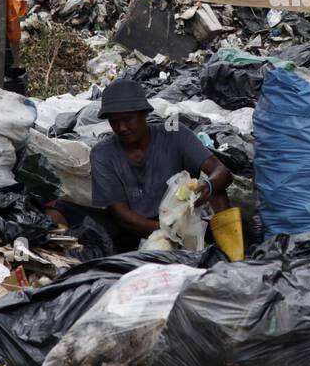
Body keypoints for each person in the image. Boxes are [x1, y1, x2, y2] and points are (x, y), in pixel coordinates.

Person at [84, 79, 232, 252]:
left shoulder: (175, 134)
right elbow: (122, 216)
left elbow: (222, 172)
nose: (121, 127)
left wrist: (208, 186)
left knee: (218, 191)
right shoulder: (102, 154)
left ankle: (230, 253)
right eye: (114, 122)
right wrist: (168, 232)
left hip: (183, 221)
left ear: (144, 113)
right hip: (136, 232)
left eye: (127, 119)